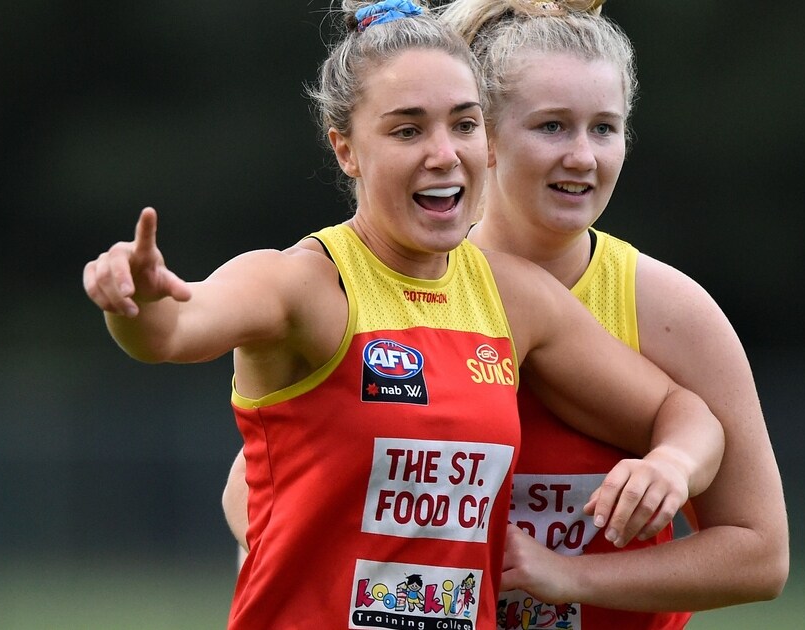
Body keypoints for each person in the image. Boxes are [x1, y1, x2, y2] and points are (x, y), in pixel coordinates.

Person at [84, 2, 723, 629]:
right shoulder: (305, 283)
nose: (444, 153)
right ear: (345, 150)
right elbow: (171, 332)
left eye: (464, 124)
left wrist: (670, 464)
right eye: (408, 129)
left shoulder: (512, 297)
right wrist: (135, 300)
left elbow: (685, 414)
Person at [442, 0, 789, 625]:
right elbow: (256, 494)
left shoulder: (671, 310)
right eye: (552, 126)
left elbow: (759, 554)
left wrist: (570, 575)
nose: (583, 156)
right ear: (483, 136)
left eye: (604, 128)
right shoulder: (406, 284)